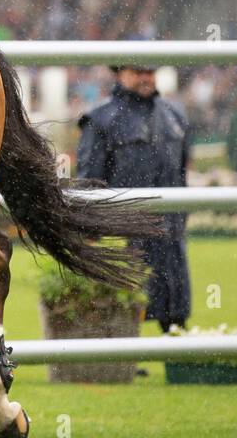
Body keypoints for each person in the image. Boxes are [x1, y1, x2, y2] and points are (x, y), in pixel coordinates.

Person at [76, 64, 192, 331]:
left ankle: (181, 362)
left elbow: (183, 172)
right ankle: (123, 366)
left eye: (149, 71)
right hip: (124, 229)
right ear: (120, 73)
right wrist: (92, 231)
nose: (145, 77)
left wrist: (181, 218)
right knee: (121, 308)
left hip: (169, 229)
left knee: (176, 307)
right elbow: (89, 181)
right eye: (138, 70)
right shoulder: (99, 119)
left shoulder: (174, 115)